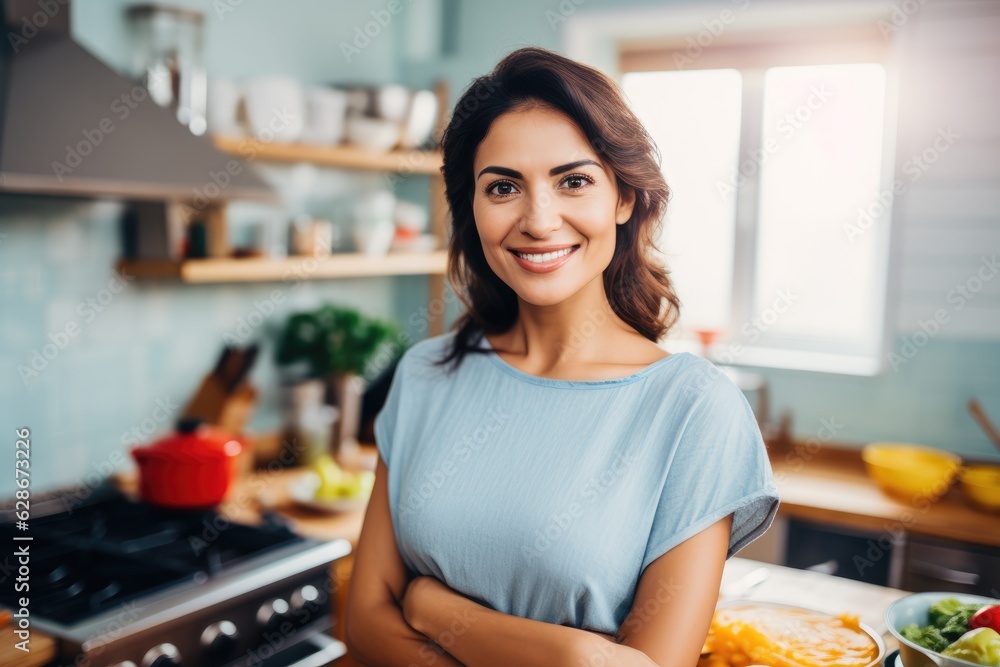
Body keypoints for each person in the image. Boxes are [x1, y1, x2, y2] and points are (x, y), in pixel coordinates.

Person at [345, 46, 780, 667]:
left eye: (573, 180)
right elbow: (364, 622)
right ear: (472, 206)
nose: (539, 221)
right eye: (503, 187)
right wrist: (572, 653)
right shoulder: (424, 375)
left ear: (624, 198)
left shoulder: (695, 410)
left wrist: (436, 611)